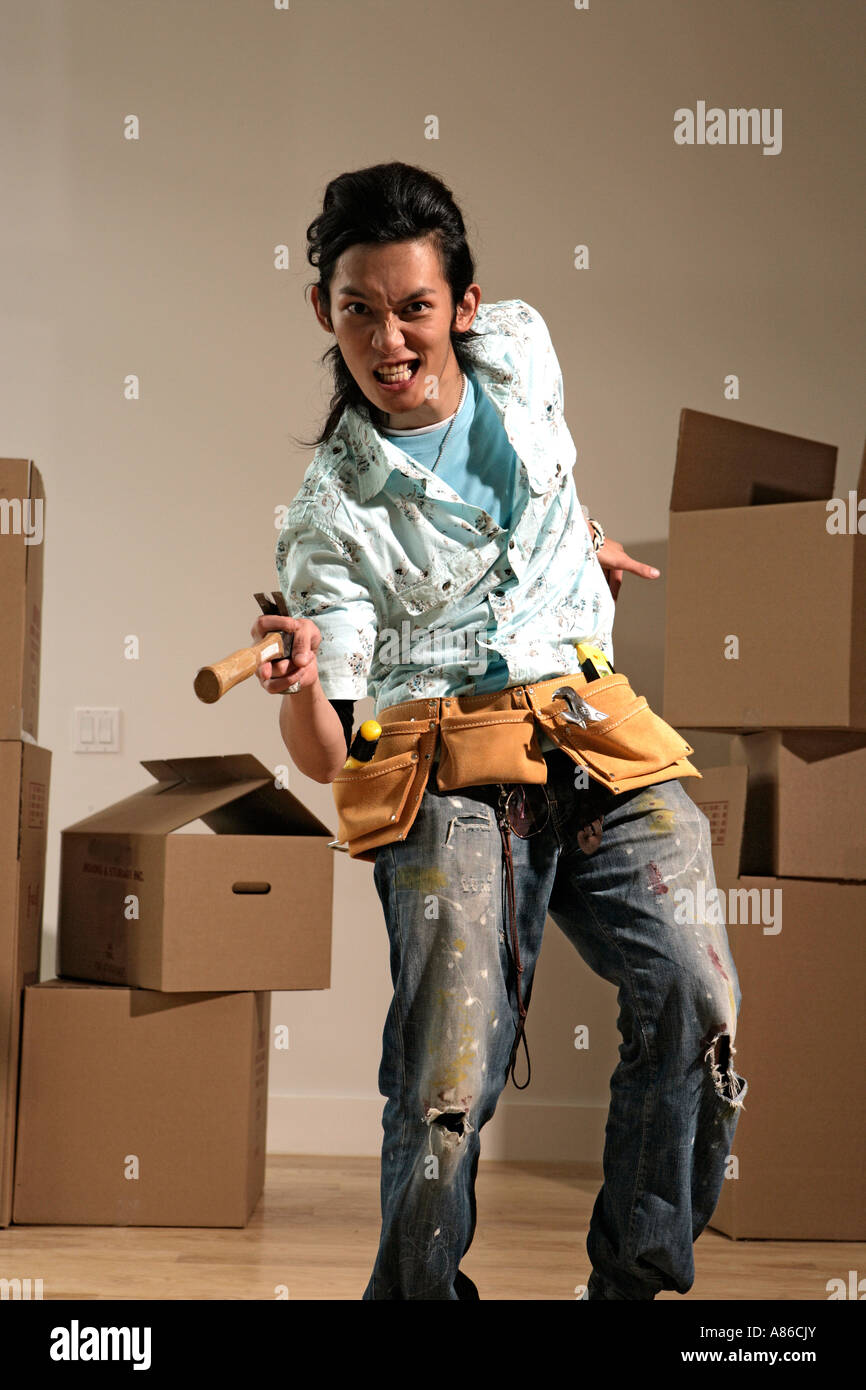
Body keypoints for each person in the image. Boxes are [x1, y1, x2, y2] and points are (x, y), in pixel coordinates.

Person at [252, 161, 747, 1301]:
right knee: (447, 1073)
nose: (388, 340)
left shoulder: (521, 347)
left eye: (414, 307)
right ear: (324, 310)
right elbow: (329, 755)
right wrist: (301, 681)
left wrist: (579, 545)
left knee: (698, 999)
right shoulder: (332, 517)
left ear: (465, 307)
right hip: (447, 765)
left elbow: (546, 473)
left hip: (591, 728)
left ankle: (631, 1287)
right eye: (358, 310)